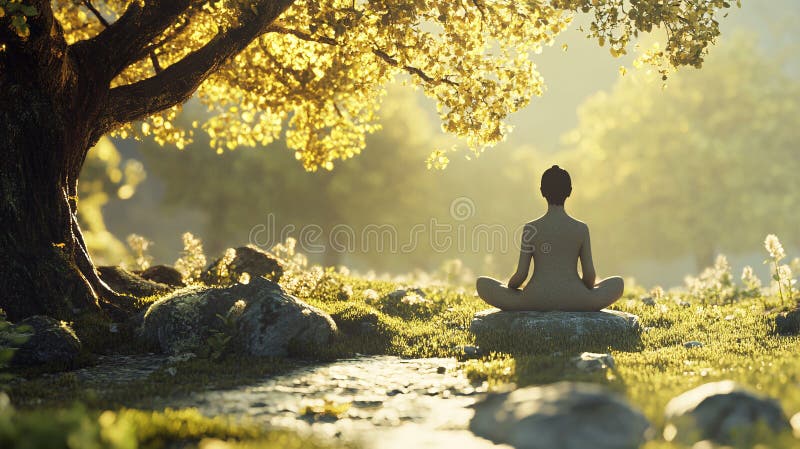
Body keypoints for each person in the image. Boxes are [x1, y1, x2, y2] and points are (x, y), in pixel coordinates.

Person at [476, 165, 624, 311]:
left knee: (482, 283)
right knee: (618, 283)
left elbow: (521, 274)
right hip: (575, 299)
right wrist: (583, 291)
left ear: (542, 192)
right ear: (569, 191)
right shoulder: (581, 229)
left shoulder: (531, 228)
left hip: (535, 299)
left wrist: (511, 289)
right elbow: (590, 276)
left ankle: (521, 300)